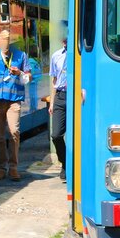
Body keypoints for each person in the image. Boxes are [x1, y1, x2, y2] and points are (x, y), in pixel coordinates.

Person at [0, 29, 29, 181]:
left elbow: (28, 76)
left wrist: (19, 73)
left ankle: (13, 168)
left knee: (14, 132)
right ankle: (1, 168)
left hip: (13, 100)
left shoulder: (21, 55)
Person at [49, 29, 69, 180]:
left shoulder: (82, 55)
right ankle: (65, 162)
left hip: (76, 95)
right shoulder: (56, 56)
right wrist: (52, 102)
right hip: (61, 96)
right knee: (56, 135)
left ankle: (73, 167)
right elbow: (54, 80)